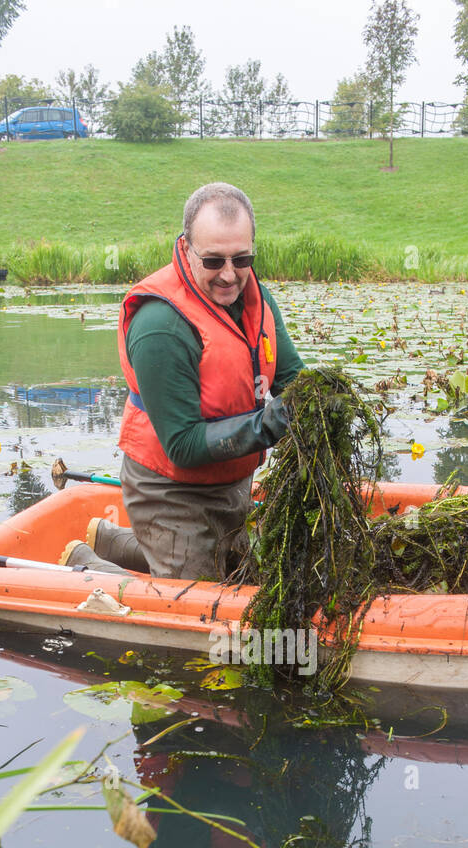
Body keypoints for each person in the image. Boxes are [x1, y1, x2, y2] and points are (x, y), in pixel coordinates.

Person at [112, 182, 305, 580]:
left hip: (232, 478)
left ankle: (110, 540)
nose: (230, 276)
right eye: (214, 261)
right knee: (201, 599)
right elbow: (182, 446)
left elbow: (290, 378)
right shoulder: (160, 326)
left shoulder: (257, 298)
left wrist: (314, 400)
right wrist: (269, 425)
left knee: (242, 577)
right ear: (186, 248)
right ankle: (82, 560)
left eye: (242, 258)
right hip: (169, 489)